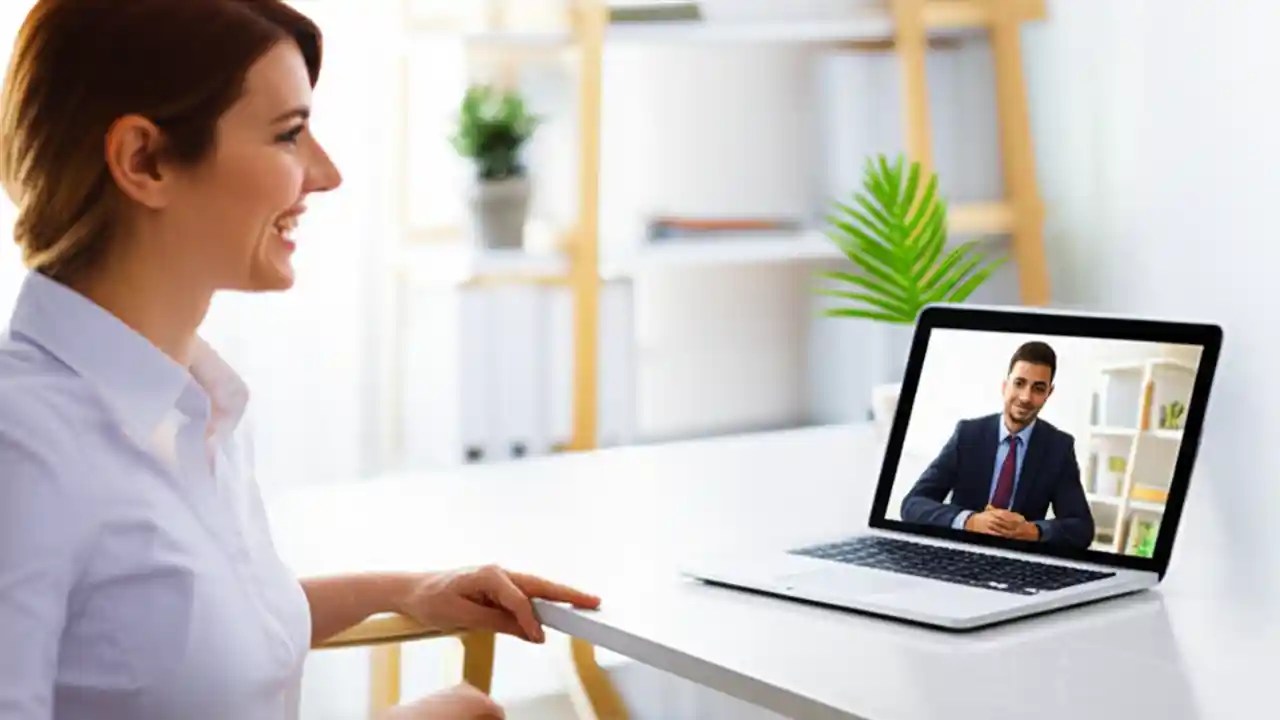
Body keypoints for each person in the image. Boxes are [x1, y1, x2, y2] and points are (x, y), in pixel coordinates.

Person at [0, 2, 597, 718]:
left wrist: (404, 591)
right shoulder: (23, 444)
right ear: (144, 160)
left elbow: (168, 643)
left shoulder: (194, 404)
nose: (327, 173)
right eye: (289, 135)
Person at [900, 341, 1095, 549]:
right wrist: (970, 521)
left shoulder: (1058, 447)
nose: (1026, 397)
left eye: (1038, 389)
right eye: (1019, 383)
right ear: (1005, 385)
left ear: (1049, 393)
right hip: (962, 552)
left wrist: (1033, 531)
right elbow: (913, 504)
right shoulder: (968, 435)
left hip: (1019, 562)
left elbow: (1082, 527)